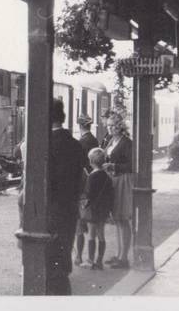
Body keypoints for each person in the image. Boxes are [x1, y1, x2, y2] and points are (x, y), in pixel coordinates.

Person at [18, 98, 86, 295]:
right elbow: (82, 180)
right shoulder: (76, 145)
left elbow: (32, 187)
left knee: (44, 269)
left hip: (45, 216)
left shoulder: (42, 147)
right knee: (61, 266)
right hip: (69, 213)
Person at [102, 114, 133, 270]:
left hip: (122, 180)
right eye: (108, 125)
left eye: (113, 125)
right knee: (117, 219)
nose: (110, 128)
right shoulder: (111, 141)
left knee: (123, 218)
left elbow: (131, 165)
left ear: (120, 126)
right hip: (113, 180)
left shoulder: (127, 143)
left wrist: (114, 167)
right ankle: (119, 254)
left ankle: (124, 257)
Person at [80, 148, 114, 270]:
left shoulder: (92, 177)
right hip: (103, 210)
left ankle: (90, 260)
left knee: (91, 235)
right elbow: (111, 194)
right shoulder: (107, 177)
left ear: (91, 162)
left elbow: (88, 194)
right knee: (101, 235)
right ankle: (99, 261)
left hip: (93, 209)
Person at [73, 114, 99, 266]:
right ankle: (91, 258)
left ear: (80, 126)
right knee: (92, 223)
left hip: (83, 182)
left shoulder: (82, 141)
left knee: (80, 223)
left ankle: (79, 256)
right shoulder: (94, 139)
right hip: (92, 180)